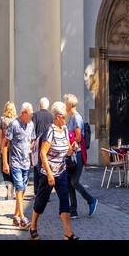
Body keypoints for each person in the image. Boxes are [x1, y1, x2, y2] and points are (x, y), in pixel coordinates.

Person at [28, 102, 77, 240]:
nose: (65, 119)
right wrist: (49, 174)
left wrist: (73, 148)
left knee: (64, 201)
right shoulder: (51, 130)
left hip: (61, 171)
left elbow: (67, 151)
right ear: (57, 117)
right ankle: (33, 227)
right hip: (47, 172)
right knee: (41, 202)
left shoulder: (65, 129)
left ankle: (68, 234)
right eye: (64, 117)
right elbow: (43, 154)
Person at [1, 102, 36, 228]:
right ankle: (22, 218)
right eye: (30, 114)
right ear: (23, 113)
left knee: (22, 191)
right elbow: (5, 144)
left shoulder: (31, 124)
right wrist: (5, 162)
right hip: (15, 162)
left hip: (26, 163)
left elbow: (31, 141)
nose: (32, 116)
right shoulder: (14, 124)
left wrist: (31, 148)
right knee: (19, 188)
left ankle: (15, 217)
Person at [64, 94, 98, 219]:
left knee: (74, 181)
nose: (65, 105)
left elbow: (78, 137)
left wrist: (71, 150)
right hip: (72, 155)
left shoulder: (76, 118)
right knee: (69, 183)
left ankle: (91, 200)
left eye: (66, 103)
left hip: (76, 155)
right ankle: (73, 211)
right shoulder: (71, 117)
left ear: (70, 104)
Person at [0, 101, 16, 197]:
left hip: (5, 147)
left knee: (4, 168)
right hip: (14, 148)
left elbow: (0, 135)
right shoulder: (16, 120)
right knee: (13, 168)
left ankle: (9, 188)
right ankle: (13, 188)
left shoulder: (2, 120)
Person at [31, 97, 53, 171]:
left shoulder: (35, 115)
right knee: (46, 163)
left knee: (37, 165)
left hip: (37, 144)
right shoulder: (51, 116)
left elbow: (32, 129)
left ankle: (37, 182)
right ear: (48, 106)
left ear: (40, 105)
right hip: (48, 143)